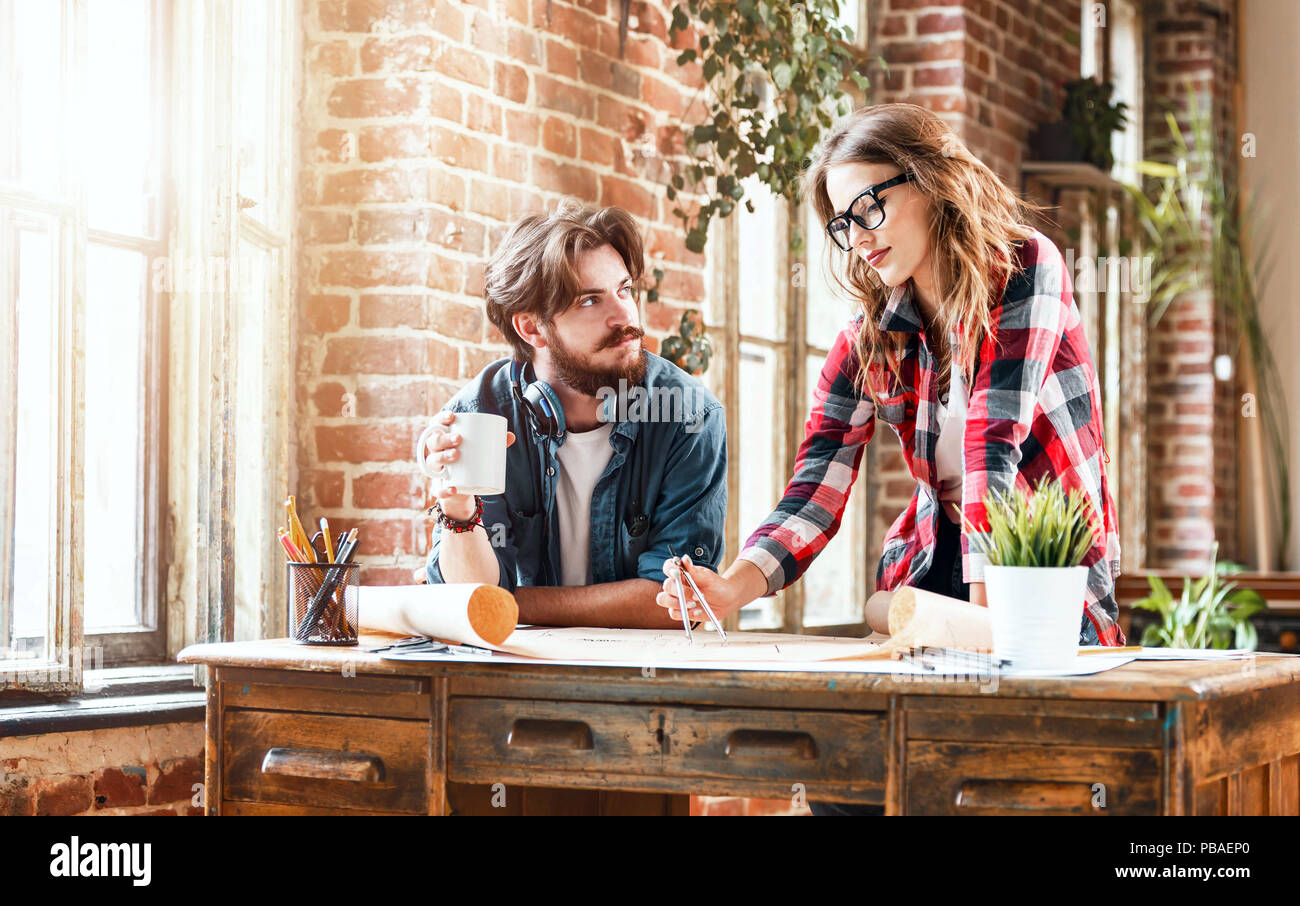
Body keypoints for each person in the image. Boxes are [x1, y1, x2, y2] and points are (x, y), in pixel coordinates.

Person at [656, 104, 1125, 812]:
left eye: (870, 206)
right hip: (929, 583)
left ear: (932, 180)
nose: (858, 239)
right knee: (850, 785)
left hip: (1035, 585)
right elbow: (814, 488)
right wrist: (731, 589)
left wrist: (990, 633)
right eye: (844, 223)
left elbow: (990, 447)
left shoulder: (1026, 267)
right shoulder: (870, 336)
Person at [424, 200, 727, 629]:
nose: (625, 315)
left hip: (647, 676)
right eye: (590, 300)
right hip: (515, 673)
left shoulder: (688, 415)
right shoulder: (481, 415)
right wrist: (457, 509)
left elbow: (677, 604)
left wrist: (514, 603)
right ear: (531, 328)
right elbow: (470, 598)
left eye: (625, 290)